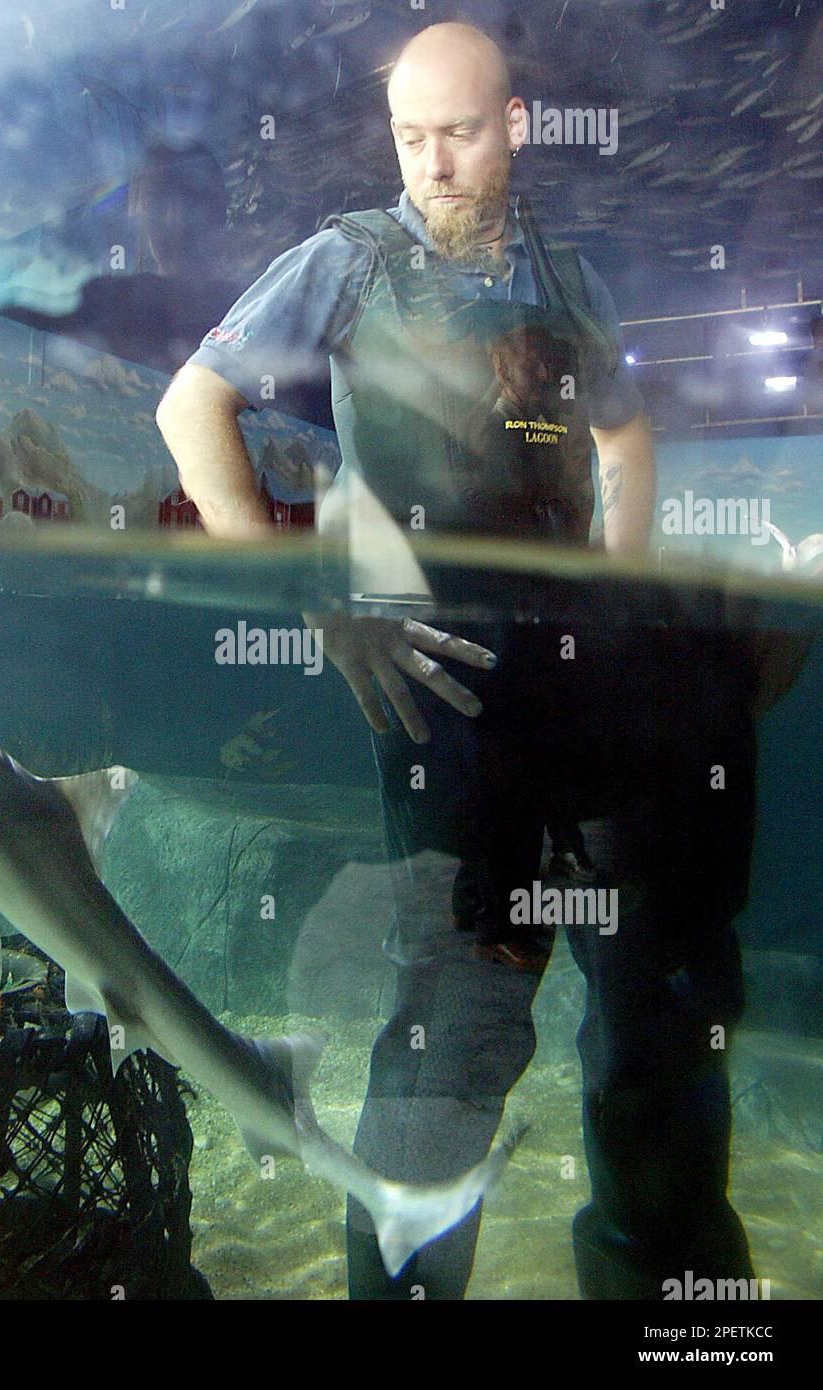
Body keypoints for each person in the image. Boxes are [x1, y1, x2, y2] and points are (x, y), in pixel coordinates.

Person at [157, 21, 757, 1299]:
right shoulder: (345, 263)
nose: (431, 164)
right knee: (455, 1020)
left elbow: (625, 440)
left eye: (461, 134)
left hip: (593, 692)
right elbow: (189, 404)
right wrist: (318, 594)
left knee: (651, 994)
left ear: (517, 126)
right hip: (445, 703)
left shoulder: (571, 279)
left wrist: (622, 597)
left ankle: (668, 1298)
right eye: (410, 138)